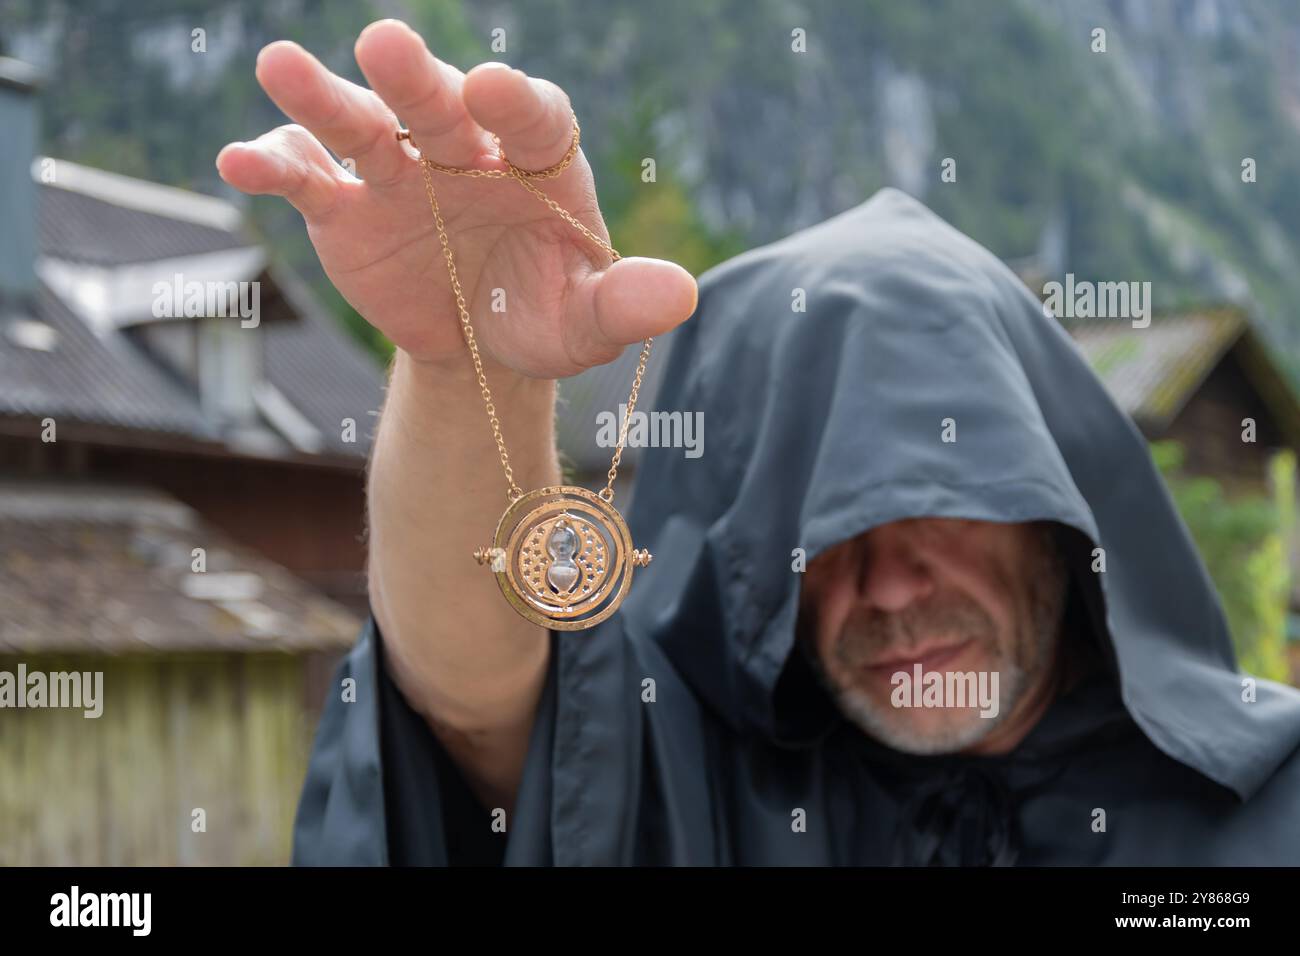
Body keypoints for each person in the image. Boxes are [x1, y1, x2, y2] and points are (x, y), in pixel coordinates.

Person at [218, 19, 1300, 866]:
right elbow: (470, 695)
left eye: (931, 498)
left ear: (1050, 509)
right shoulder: (700, 790)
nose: (885, 585)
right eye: (816, 534)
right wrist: (466, 364)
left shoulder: (1271, 808)